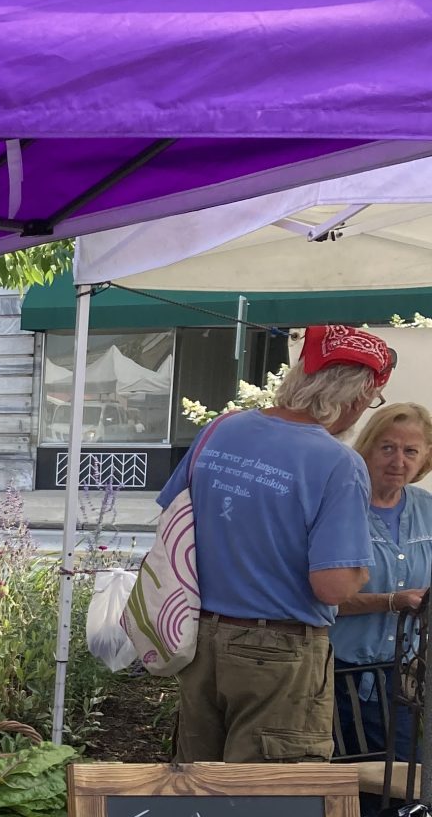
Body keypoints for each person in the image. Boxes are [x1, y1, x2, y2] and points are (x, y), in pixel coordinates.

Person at [160, 324, 393, 763]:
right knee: (271, 793)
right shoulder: (339, 463)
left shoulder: (221, 429)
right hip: (279, 651)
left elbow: (173, 520)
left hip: (199, 638)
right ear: (358, 395)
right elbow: (333, 587)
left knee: (199, 785)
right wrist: (360, 570)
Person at [329, 402, 432, 757]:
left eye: (410, 451)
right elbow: (318, 595)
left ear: (425, 457)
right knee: (334, 779)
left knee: (400, 778)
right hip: (333, 676)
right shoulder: (340, 505)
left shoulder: (427, 509)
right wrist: (390, 602)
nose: (398, 461)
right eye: (387, 448)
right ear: (368, 448)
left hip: (397, 679)